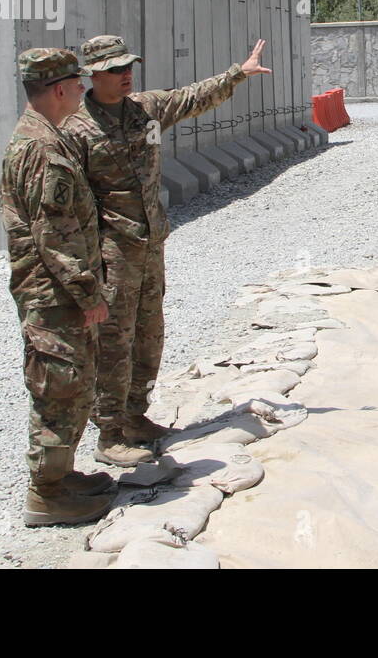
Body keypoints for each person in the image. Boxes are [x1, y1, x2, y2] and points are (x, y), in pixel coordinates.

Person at [63, 34, 271, 466]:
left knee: (148, 333)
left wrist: (238, 73)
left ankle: (136, 415)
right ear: (93, 75)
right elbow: (70, 205)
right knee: (113, 341)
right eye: (117, 69)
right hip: (111, 251)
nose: (126, 75)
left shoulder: (146, 109)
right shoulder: (76, 129)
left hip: (149, 244)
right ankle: (110, 433)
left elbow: (192, 97)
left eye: (128, 67)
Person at [0, 48, 115, 526]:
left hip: (55, 292)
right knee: (59, 389)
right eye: (78, 84)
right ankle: (46, 494)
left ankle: (61, 476)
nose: (84, 92)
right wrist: (90, 295)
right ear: (61, 89)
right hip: (55, 296)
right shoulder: (44, 150)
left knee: (72, 383)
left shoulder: (46, 137)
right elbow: (56, 236)